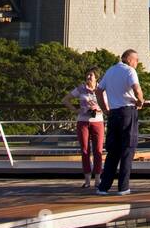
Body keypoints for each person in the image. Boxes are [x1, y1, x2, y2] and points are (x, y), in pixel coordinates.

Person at [96, 49, 145, 195]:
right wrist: (140, 101)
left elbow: (98, 91)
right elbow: (137, 89)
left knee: (113, 151)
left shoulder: (110, 70)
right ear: (129, 59)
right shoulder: (130, 71)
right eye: (136, 60)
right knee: (127, 150)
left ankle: (104, 187)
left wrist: (105, 109)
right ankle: (123, 187)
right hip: (128, 113)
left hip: (113, 113)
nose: (137, 63)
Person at [62, 68, 104, 190]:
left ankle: (97, 179)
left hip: (98, 122)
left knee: (98, 150)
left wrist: (100, 109)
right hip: (83, 122)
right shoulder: (81, 89)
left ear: (96, 77)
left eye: (91, 75)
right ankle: (87, 180)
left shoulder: (101, 89)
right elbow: (65, 99)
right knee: (85, 150)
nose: (88, 77)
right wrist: (75, 110)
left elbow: (109, 104)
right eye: (87, 75)